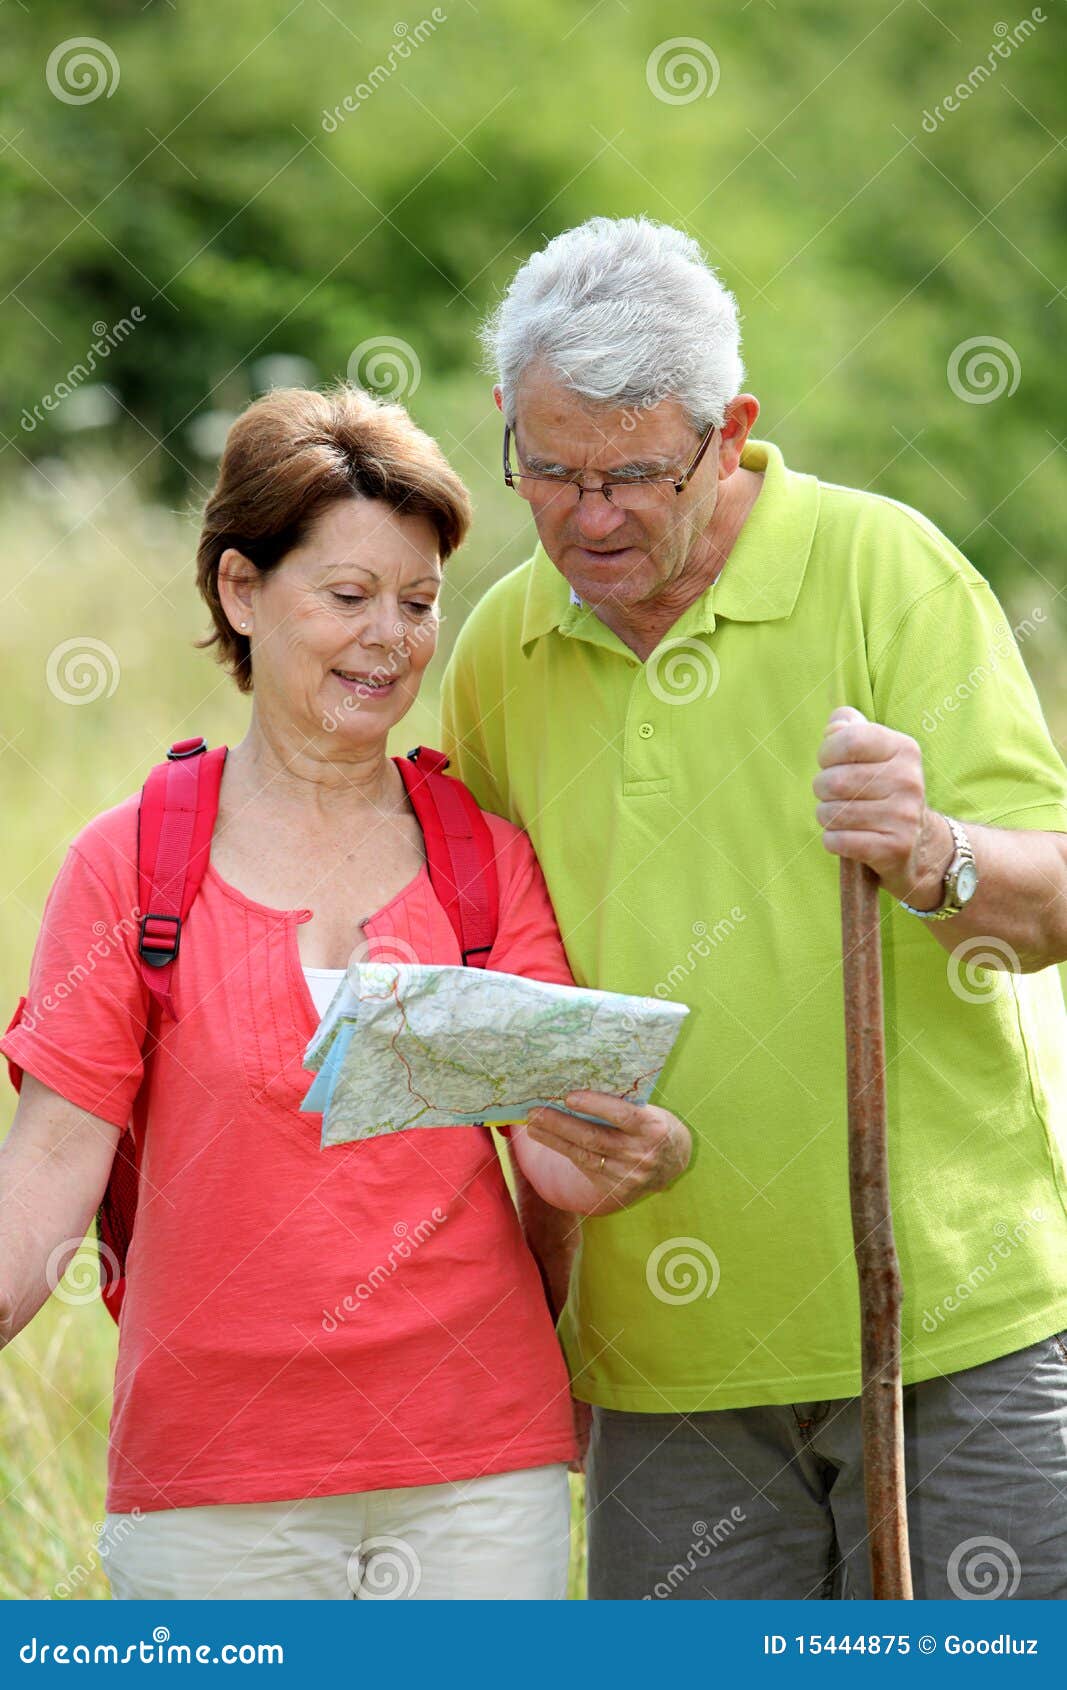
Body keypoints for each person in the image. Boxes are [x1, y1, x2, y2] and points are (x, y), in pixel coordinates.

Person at [439, 216, 1067, 1600]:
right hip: (662, 1357)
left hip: (937, 1326)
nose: (586, 517)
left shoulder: (882, 570)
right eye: (546, 470)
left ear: (729, 431)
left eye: (631, 475)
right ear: (505, 426)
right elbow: (481, 973)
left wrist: (933, 851)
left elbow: (1048, 896)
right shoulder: (498, 649)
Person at [0, 383, 691, 1601]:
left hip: (480, 1467)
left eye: (419, 603)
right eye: (349, 595)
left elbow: (558, 1159)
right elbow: (48, 1176)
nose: (392, 638)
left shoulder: (480, 855)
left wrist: (645, 1145)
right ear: (239, 591)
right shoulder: (131, 866)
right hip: (214, 1482)